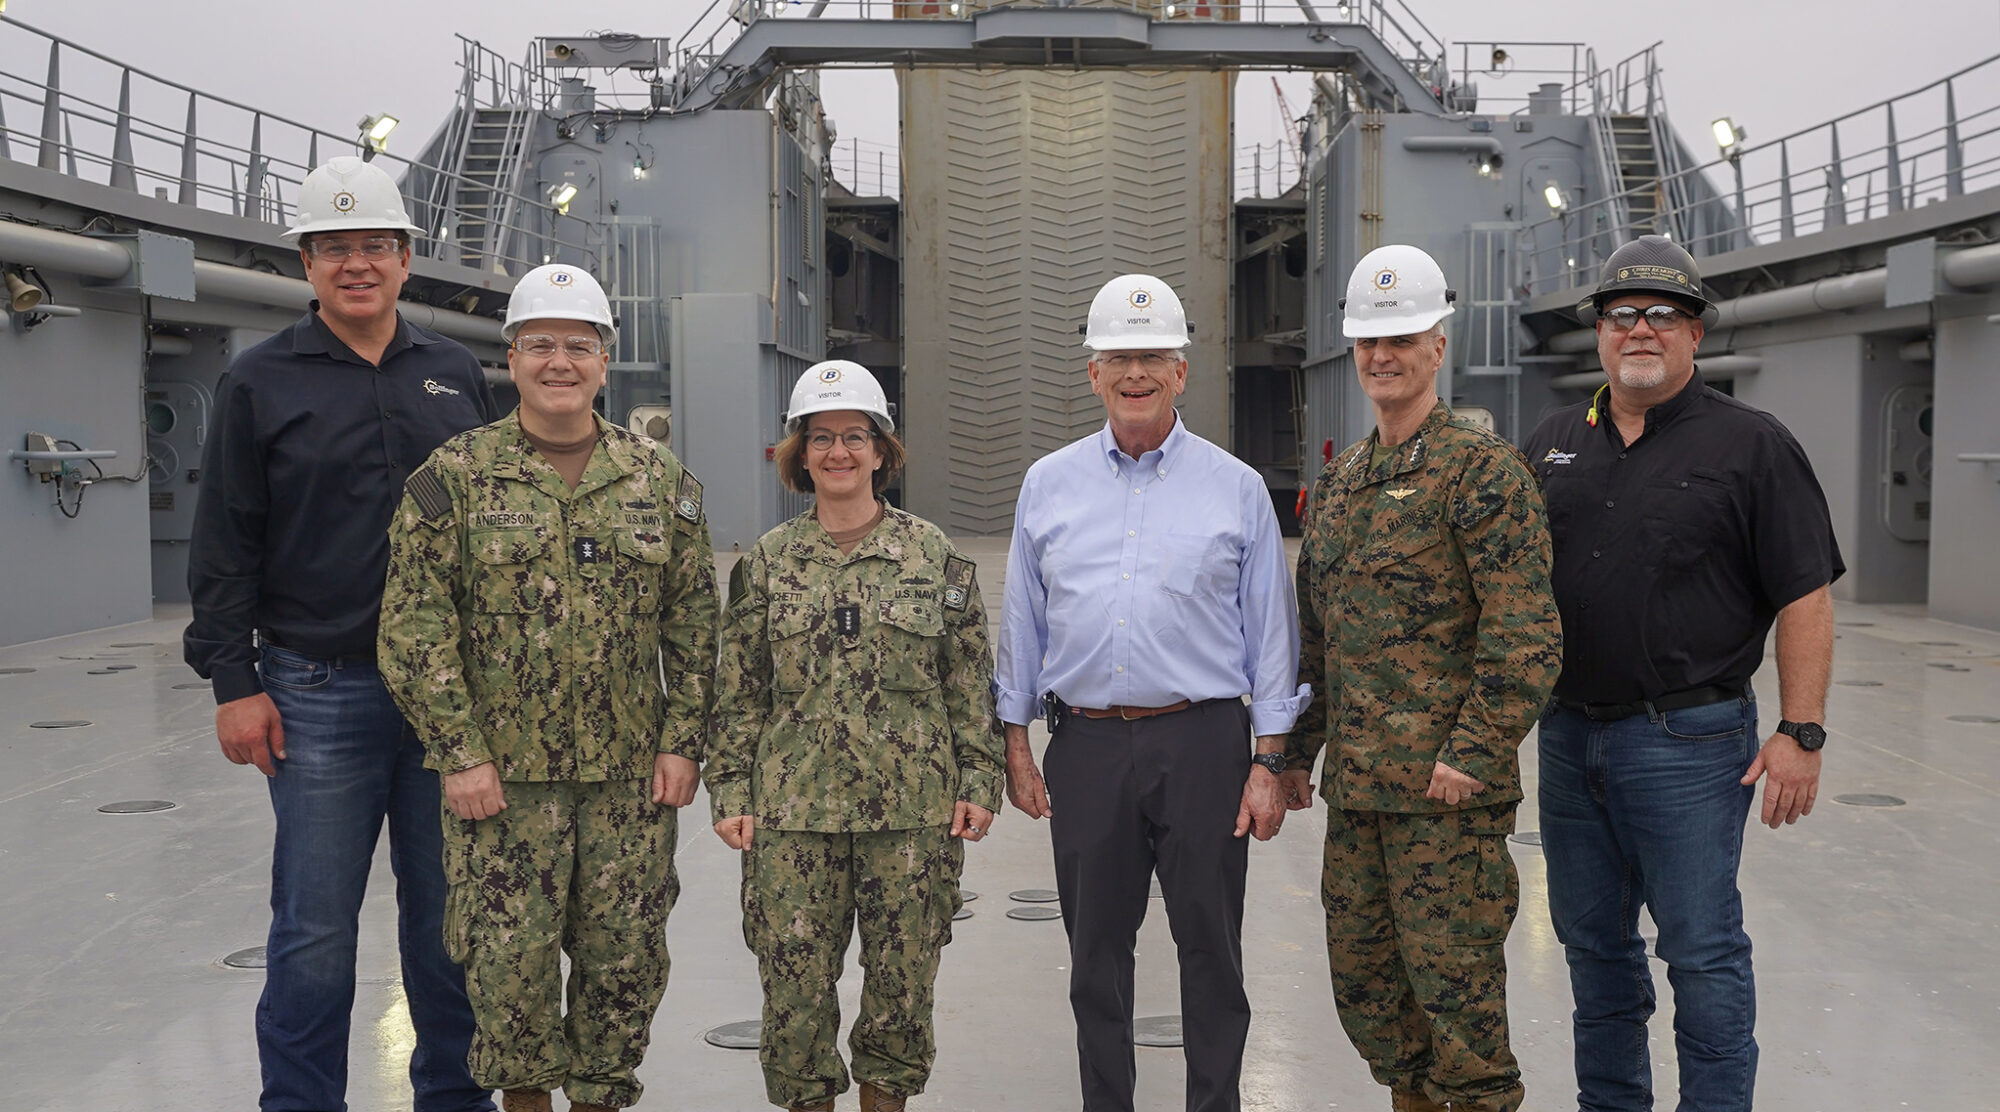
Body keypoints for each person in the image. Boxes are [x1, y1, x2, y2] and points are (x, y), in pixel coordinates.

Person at [183, 156, 495, 1112]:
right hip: (320, 693)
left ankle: (457, 1099)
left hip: (449, 702)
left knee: (451, 925)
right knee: (314, 932)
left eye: (374, 247)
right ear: (308, 266)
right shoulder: (258, 382)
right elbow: (225, 538)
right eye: (332, 249)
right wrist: (233, 682)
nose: (355, 264)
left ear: (406, 259)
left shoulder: (452, 375)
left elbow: (495, 532)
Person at [376, 263, 719, 1112]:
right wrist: (459, 754)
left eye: (578, 344)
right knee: (506, 969)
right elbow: (414, 627)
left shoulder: (662, 485)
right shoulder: (453, 478)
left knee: (624, 965)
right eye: (540, 345)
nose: (559, 361)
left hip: (628, 786)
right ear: (512, 359)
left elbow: (696, 628)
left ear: (606, 358)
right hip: (501, 788)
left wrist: (683, 742)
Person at [1522, 234, 1843, 1112]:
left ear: (1696, 336)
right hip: (1568, 734)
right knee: (1594, 952)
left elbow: (1805, 596)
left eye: (1665, 315)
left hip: (1690, 743)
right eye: (1623, 314)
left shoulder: (1752, 446)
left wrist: (1800, 731)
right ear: (1598, 332)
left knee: (1700, 951)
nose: (1641, 330)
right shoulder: (1552, 442)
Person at [996, 274, 1309, 1112]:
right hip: (1087, 746)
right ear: (1092, 372)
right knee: (1094, 955)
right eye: (1118, 358)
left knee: (1211, 948)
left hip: (1203, 742)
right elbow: (1022, 622)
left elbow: (1272, 635)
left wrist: (1268, 760)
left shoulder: (1236, 487)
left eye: (1153, 358)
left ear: (1182, 371)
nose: (1135, 373)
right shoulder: (1049, 485)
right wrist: (1017, 743)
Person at [1285, 245, 1562, 1112]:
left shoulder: (1483, 475)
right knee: (1369, 998)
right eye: (1369, 340)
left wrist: (1473, 753)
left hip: (1447, 802)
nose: (1383, 356)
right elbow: (1317, 639)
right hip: (1360, 797)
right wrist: (1299, 751)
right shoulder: (1340, 486)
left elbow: (1527, 634)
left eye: (1402, 337)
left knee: (1462, 1020)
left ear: (1439, 344)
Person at [707, 360, 1002, 1112]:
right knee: (795, 1000)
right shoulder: (769, 562)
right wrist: (730, 793)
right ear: (799, 455)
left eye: (855, 436)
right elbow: (738, 693)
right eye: (822, 438)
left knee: (902, 997)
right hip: (791, 820)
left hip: (910, 818)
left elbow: (968, 681)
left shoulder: (931, 555)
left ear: (882, 451)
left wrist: (979, 782)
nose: (839, 452)